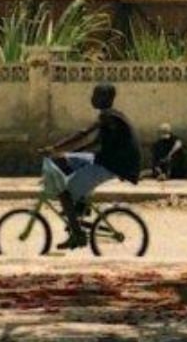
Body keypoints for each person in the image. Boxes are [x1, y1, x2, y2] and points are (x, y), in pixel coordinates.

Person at [40, 82, 144, 248]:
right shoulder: (111, 116)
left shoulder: (108, 117)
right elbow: (94, 143)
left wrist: (54, 148)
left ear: (105, 98)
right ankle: (80, 207)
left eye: (95, 95)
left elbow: (84, 134)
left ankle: (78, 234)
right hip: (104, 159)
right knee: (65, 160)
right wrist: (64, 153)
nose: (92, 98)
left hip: (111, 165)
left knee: (64, 192)